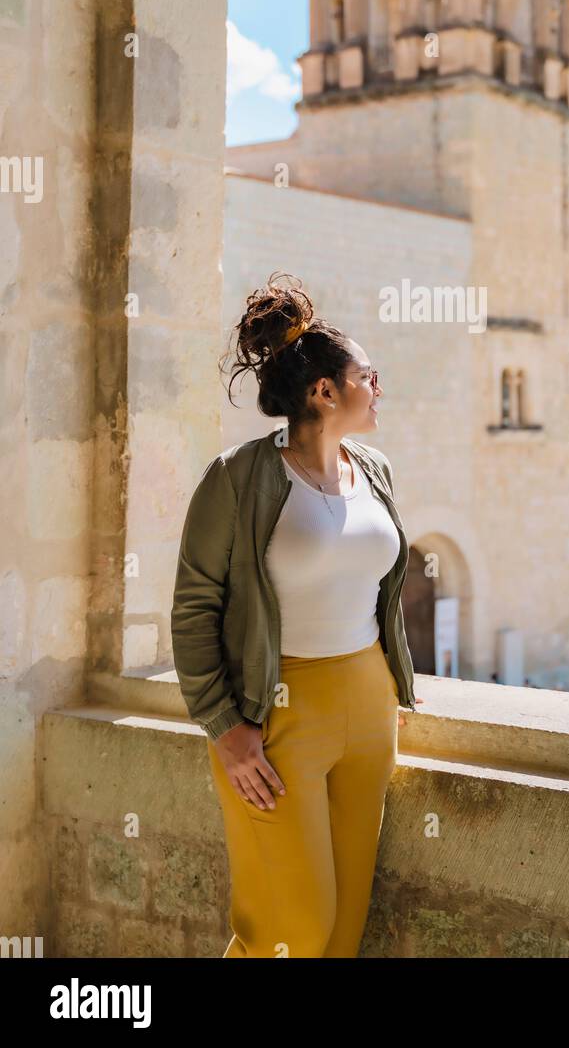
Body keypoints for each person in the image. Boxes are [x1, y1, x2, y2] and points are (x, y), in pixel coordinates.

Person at [171, 273, 416, 959]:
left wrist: (393, 684)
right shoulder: (238, 478)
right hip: (275, 717)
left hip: (369, 706)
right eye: (368, 375)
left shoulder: (375, 471)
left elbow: (378, 591)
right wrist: (226, 729)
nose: (379, 386)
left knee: (342, 930)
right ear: (324, 391)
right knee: (286, 930)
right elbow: (194, 609)